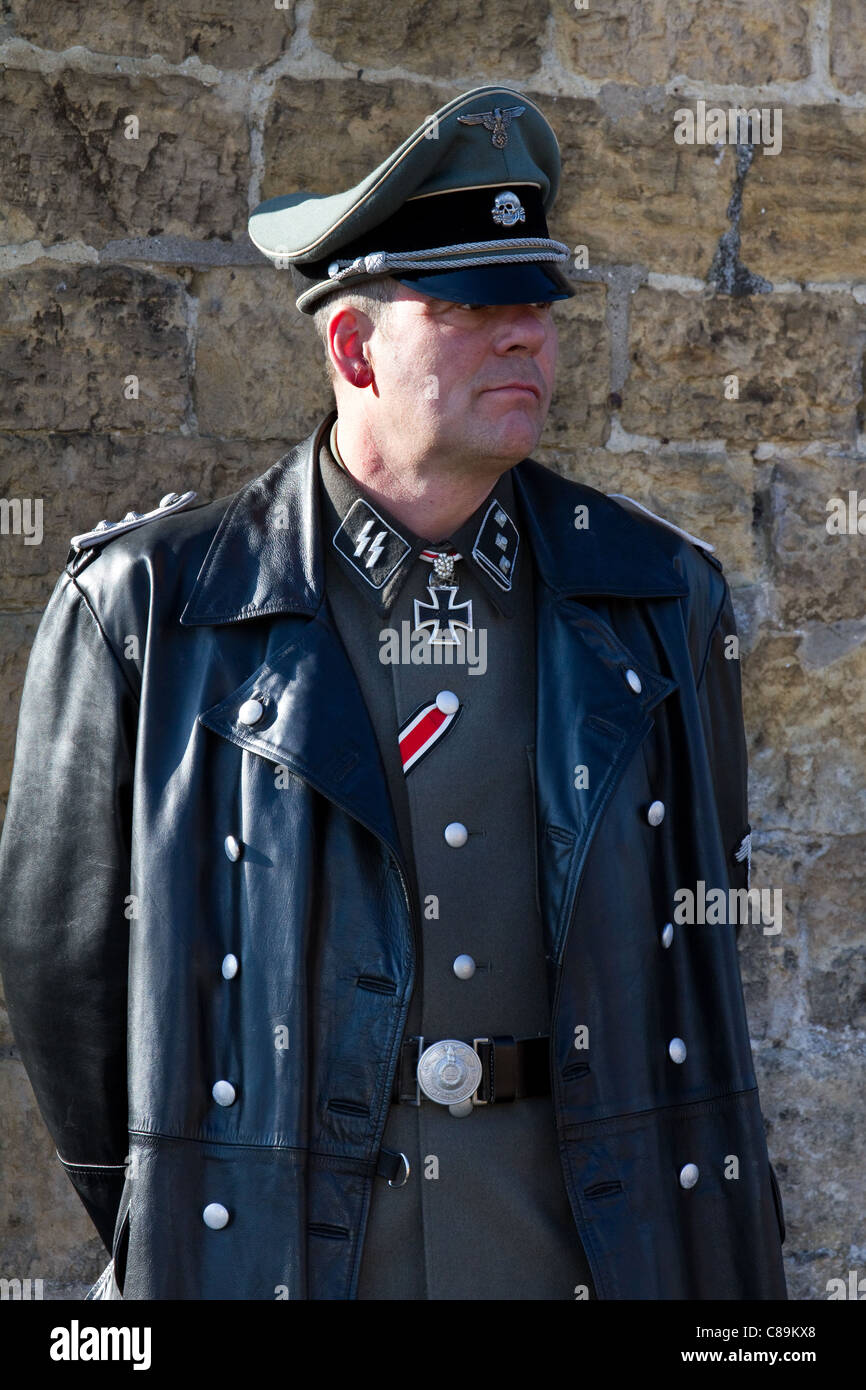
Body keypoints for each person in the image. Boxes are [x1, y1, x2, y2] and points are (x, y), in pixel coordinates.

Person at [0, 84, 787, 1300]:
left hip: (585, 1251)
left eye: (538, 303)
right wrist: (200, 1205)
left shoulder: (657, 595)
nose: (527, 333)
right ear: (353, 347)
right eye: (475, 306)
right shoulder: (150, 608)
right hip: (288, 1259)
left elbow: (700, 910)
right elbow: (64, 977)